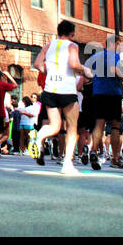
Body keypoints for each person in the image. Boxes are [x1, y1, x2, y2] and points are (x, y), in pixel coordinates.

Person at [32, 20, 93, 175]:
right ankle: (67, 164)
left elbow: (37, 64)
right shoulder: (72, 46)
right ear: (72, 34)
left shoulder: (48, 46)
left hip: (50, 89)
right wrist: (84, 70)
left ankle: (39, 137)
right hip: (66, 90)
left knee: (54, 126)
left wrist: (50, 72)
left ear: (58, 31)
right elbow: (73, 64)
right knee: (72, 128)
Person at [87, 36, 123, 169]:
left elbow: (86, 71)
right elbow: (114, 70)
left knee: (99, 124)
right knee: (115, 126)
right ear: (116, 43)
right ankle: (115, 158)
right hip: (112, 93)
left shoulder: (97, 56)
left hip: (98, 92)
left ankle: (93, 150)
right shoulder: (115, 56)